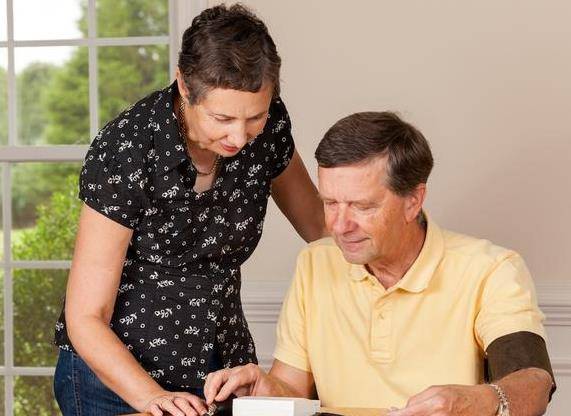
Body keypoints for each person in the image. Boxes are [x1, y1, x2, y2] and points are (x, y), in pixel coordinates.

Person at [53, 4, 326, 416]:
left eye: (254, 116)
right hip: (115, 379)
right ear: (184, 85)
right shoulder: (127, 148)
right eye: (222, 118)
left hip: (220, 366)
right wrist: (151, 397)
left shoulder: (268, 131)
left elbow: (321, 227)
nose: (239, 136)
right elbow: (86, 315)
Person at [204, 112, 556, 416]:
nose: (339, 225)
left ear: (413, 201)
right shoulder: (315, 264)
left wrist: (478, 400)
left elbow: (534, 383)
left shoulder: (491, 269)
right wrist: (266, 389)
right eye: (330, 203)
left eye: (362, 206)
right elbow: (293, 390)